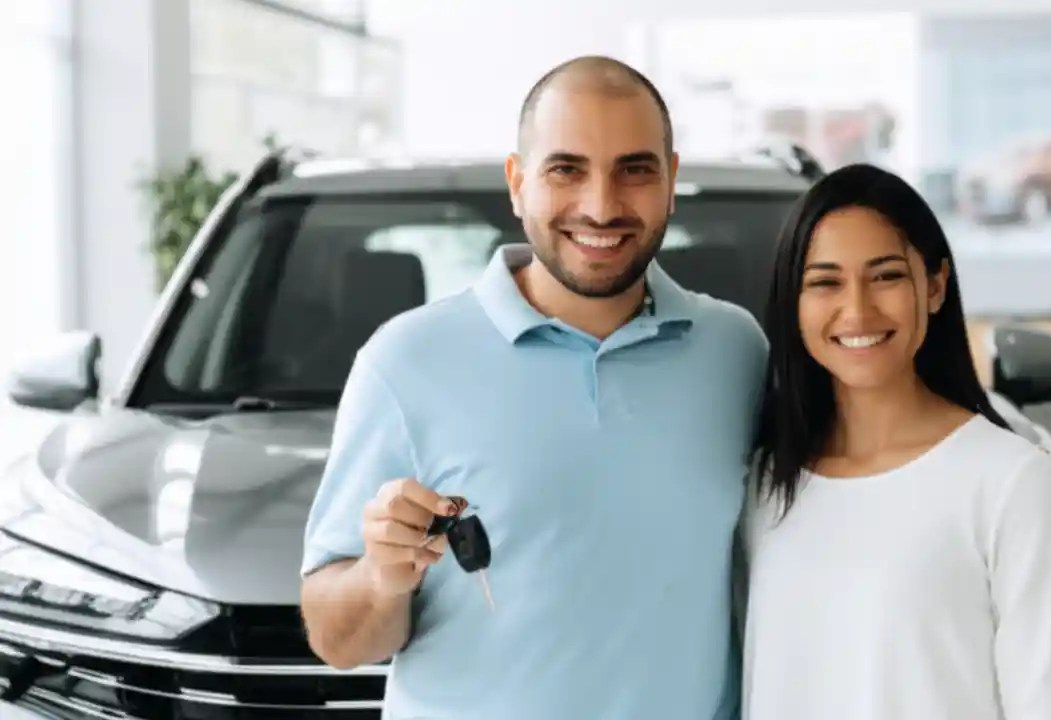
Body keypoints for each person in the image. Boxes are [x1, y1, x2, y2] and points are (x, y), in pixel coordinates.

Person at [298, 55, 766, 720]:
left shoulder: (738, 353)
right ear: (518, 184)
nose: (601, 207)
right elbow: (337, 643)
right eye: (566, 169)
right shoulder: (404, 362)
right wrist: (380, 577)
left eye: (634, 170)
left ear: (670, 181)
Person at [739, 163, 1051, 719]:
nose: (857, 310)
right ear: (793, 303)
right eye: (825, 282)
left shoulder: (1009, 480)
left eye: (885, 276)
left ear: (935, 286)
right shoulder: (760, 482)